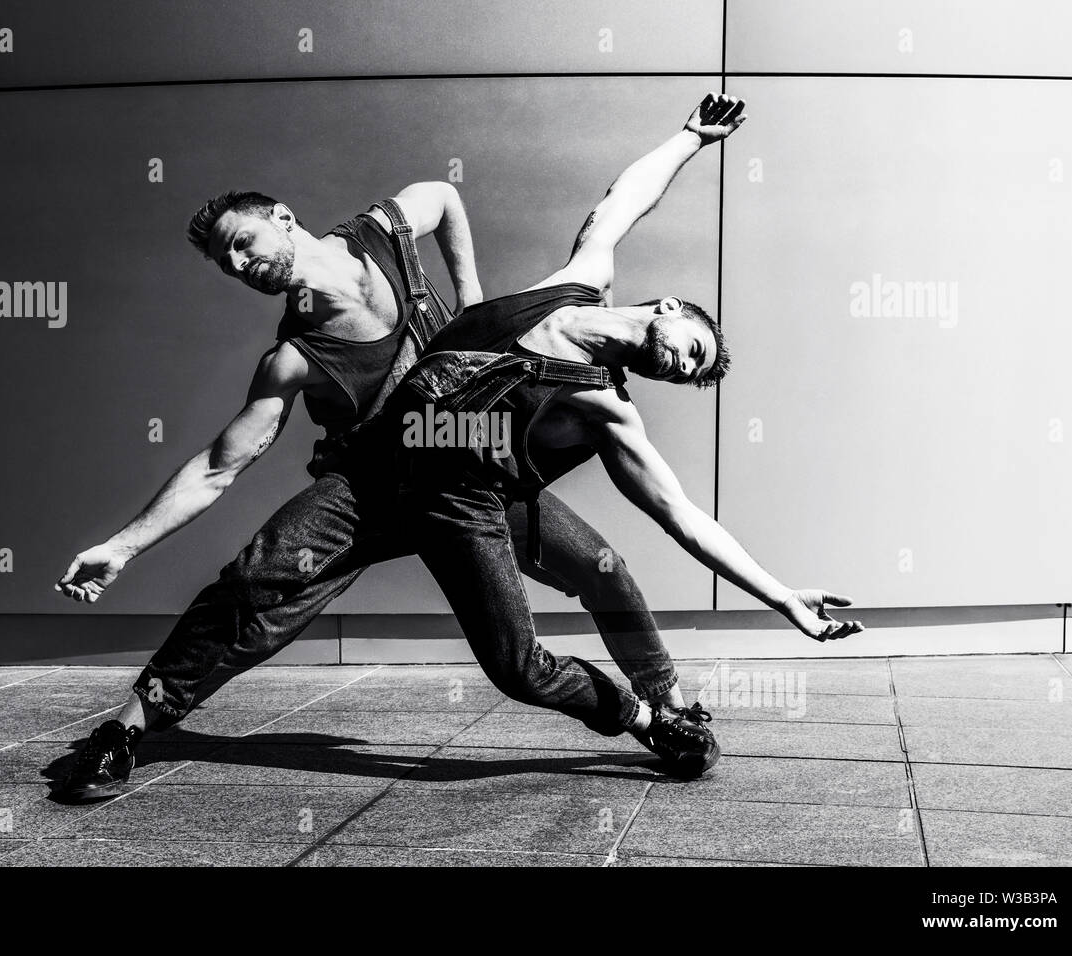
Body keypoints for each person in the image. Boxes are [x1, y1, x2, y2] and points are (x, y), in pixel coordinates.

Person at [56, 177, 688, 800]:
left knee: (601, 569)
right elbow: (221, 466)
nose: (242, 264)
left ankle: (669, 709)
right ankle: (124, 731)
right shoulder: (296, 355)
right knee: (252, 586)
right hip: (367, 490)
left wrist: (474, 303)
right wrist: (123, 547)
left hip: (468, 478)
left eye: (243, 243)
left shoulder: (381, 233)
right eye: (229, 264)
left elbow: (441, 195)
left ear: (283, 215)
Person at [362, 92, 865, 776]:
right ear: (668, 308)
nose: (684, 366)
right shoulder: (581, 278)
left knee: (606, 571)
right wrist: (689, 138)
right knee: (280, 574)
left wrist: (782, 597)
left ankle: (668, 711)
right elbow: (624, 197)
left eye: (692, 373)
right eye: (693, 348)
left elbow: (685, 519)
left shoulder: (610, 410)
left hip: (493, 492)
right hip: (406, 465)